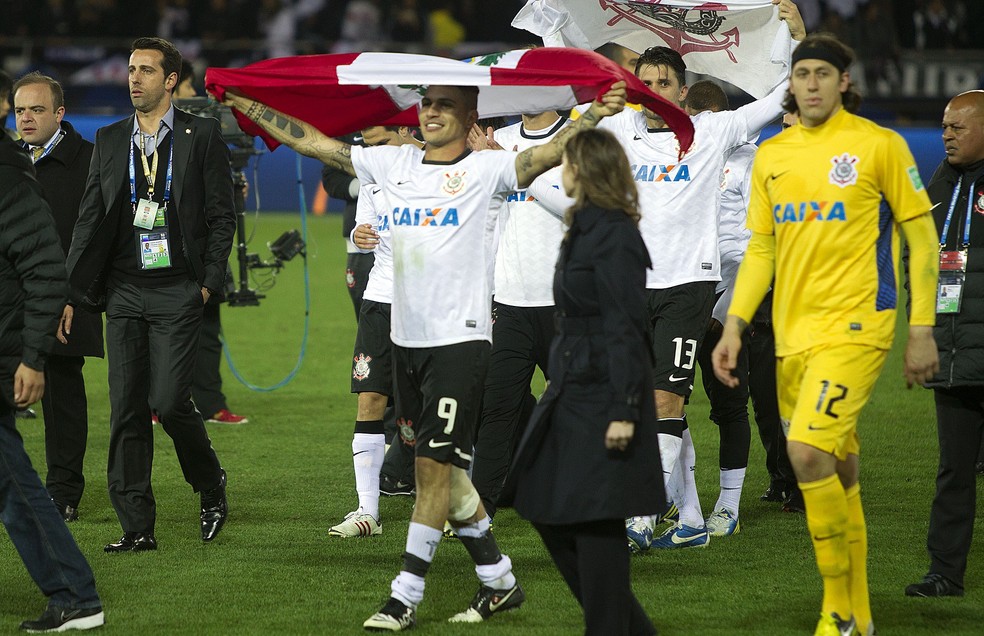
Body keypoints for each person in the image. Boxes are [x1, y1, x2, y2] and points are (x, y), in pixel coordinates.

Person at [222, 77, 626, 631]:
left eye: (446, 105)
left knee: (433, 471)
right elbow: (316, 145)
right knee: (446, 475)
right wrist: (250, 104)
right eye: (428, 103)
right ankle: (499, 580)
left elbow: (550, 152)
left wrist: (594, 113)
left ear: (471, 115)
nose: (432, 112)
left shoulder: (489, 169)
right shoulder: (391, 164)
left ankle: (404, 595)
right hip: (405, 342)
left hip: (460, 344)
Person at [712, 34, 940, 636]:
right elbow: (762, 248)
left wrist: (922, 328)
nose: (811, 83)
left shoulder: (879, 146)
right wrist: (734, 324)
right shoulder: (773, 155)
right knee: (838, 469)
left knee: (806, 453)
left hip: (859, 325)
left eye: (822, 73)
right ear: (790, 84)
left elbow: (922, 239)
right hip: (793, 335)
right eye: (801, 73)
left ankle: (836, 611)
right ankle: (860, 615)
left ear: (844, 82)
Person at [569, 0, 806, 552]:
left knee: (667, 401)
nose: (653, 90)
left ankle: (640, 515)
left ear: (682, 89)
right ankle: (691, 518)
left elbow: (781, 96)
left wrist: (795, 37)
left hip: (688, 287)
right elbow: (573, 104)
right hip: (629, 285)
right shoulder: (621, 127)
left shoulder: (713, 130)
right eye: (645, 82)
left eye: (664, 83)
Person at [65, 37, 235, 552]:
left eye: (146, 70)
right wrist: (71, 289)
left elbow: (222, 216)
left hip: (179, 290)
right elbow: (90, 216)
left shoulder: (202, 135)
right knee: (126, 410)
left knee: (169, 401)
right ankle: (137, 526)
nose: (134, 78)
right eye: (131, 69)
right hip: (122, 290)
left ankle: (209, 481)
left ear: (170, 80)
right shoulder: (110, 138)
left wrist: (206, 283)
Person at [509, 127, 661, 636]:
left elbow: (625, 327)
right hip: (572, 385)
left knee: (596, 517)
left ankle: (608, 626)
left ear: (584, 170)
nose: (562, 169)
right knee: (542, 500)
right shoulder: (584, 225)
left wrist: (624, 409)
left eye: (568, 162)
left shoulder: (614, 233)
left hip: (602, 392)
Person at [0, 131, 105, 632]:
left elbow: (45, 271)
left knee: (13, 483)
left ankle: (75, 594)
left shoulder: (9, 181)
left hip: (5, 348)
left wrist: (33, 357)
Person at [467, 109, 570, 523]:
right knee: (496, 408)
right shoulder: (498, 137)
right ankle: (481, 510)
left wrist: (509, 165)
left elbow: (577, 205)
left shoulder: (576, 136)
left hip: (563, 302)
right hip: (508, 301)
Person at [13, 72, 103, 523]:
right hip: (11, 298)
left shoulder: (89, 161)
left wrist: (74, 295)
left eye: (37, 109)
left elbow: (98, 237)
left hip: (65, 299)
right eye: (20, 110)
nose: (26, 118)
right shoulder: (9, 159)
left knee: (61, 395)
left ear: (60, 113)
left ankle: (63, 492)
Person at [905, 89, 984, 599]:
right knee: (954, 470)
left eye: (958, 126)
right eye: (944, 126)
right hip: (953, 352)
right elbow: (917, 260)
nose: (946, 135)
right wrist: (921, 330)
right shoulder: (937, 185)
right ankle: (945, 573)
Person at [329, 124, 423, 538]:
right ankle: (367, 510)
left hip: (428, 302)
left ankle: (446, 500)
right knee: (369, 398)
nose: (373, 150)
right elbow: (363, 225)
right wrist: (359, 233)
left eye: (381, 141)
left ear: (404, 128)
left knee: (433, 401)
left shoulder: (438, 165)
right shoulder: (372, 171)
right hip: (380, 297)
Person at [171, 59, 248, 425]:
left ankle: (210, 404)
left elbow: (217, 202)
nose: (195, 96)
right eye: (190, 88)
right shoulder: (139, 136)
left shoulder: (205, 134)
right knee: (159, 331)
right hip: (162, 250)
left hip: (203, 250)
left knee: (207, 330)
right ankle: (157, 404)